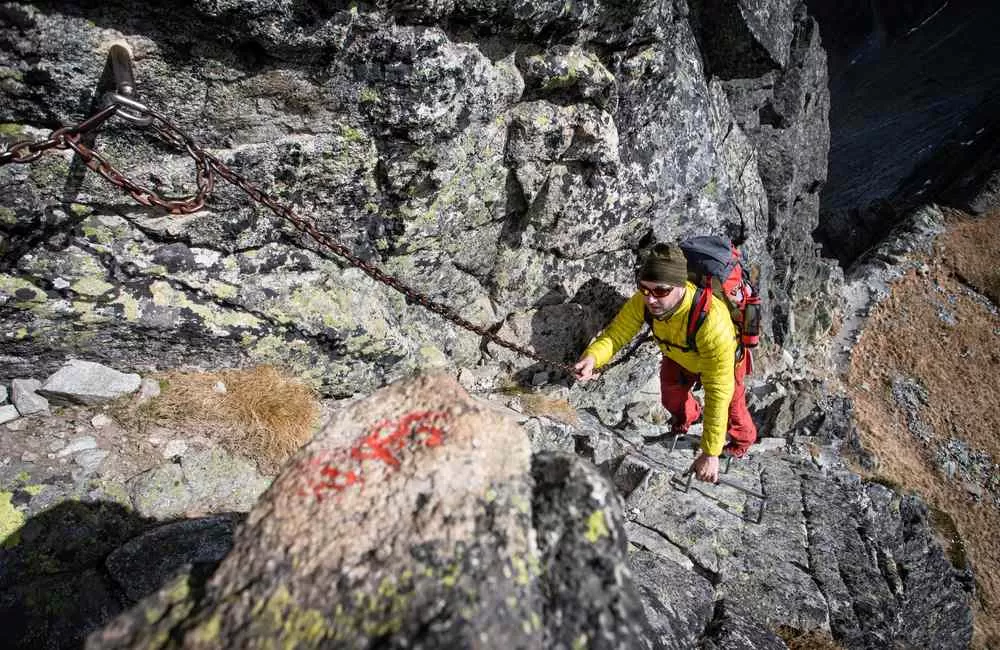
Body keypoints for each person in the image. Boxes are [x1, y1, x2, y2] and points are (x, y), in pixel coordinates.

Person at [574, 243, 757, 483]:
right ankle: (685, 423)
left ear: (681, 287)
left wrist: (710, 453)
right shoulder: (645, 300)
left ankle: (742, 442)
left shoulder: (713, 322)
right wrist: (592, 357)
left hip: (724, 362)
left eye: (660, 291)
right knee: (671, 395)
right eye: (644, 289)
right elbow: (617, 334)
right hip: (681, 355)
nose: (650, 298)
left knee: (733, 407)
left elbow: (718, 391)